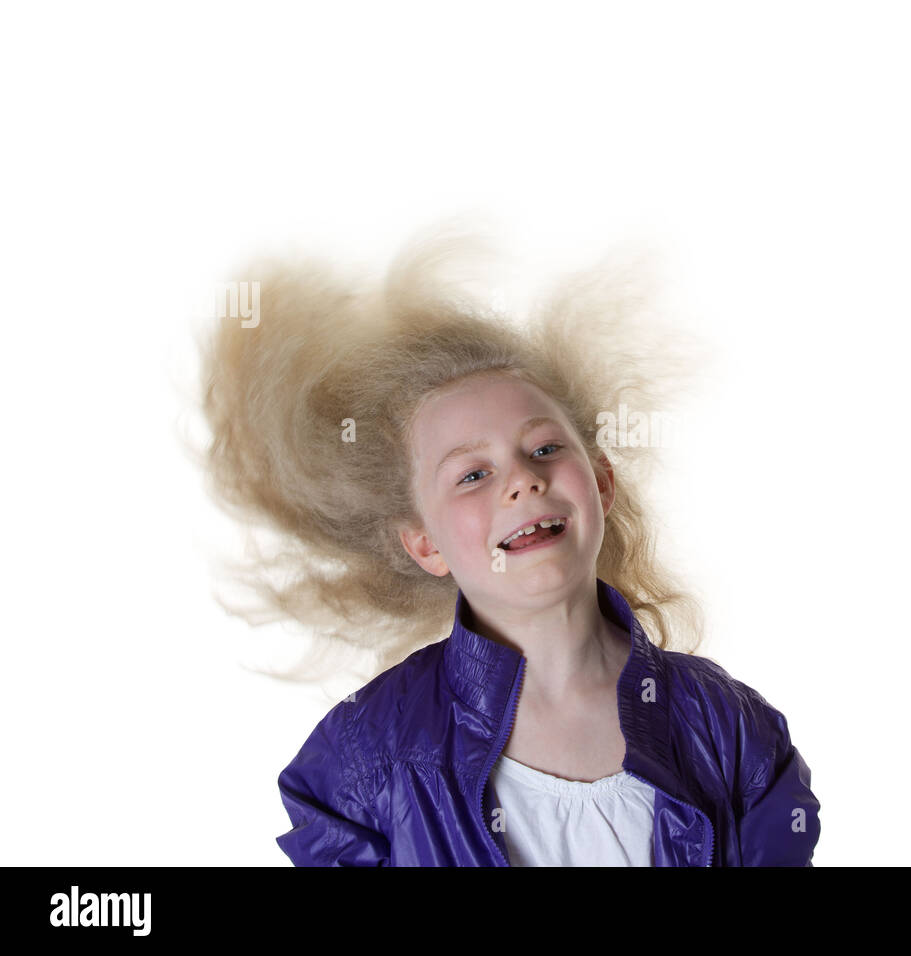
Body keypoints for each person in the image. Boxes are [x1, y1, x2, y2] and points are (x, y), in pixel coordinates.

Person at [194, 224, 821, 865]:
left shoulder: (729, 729)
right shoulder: (365, 760)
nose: (523, 480)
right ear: (424, 545)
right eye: (472, 474)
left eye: (544, 448)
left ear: (602, 482)